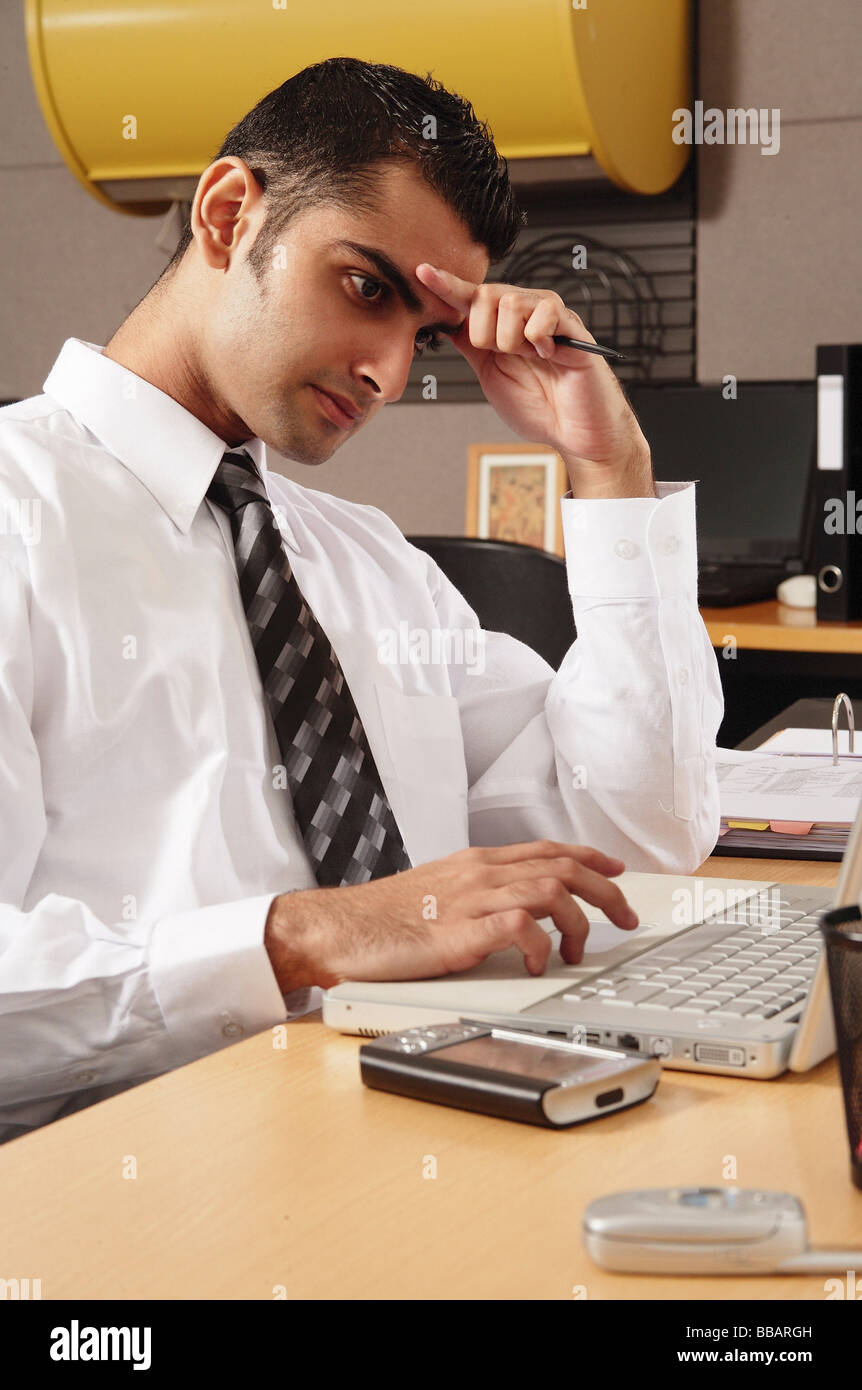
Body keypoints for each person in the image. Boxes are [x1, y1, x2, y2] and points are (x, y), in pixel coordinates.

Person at [0, 57, 723, 1143]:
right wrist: (299, 938)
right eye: (366, 286)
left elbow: (642, 825)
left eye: (426, 336)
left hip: (401, 1133)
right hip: (125, 1187)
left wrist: (611, 468)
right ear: (230, 212)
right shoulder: (16, 520)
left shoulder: (363, 560)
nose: (390, 371)